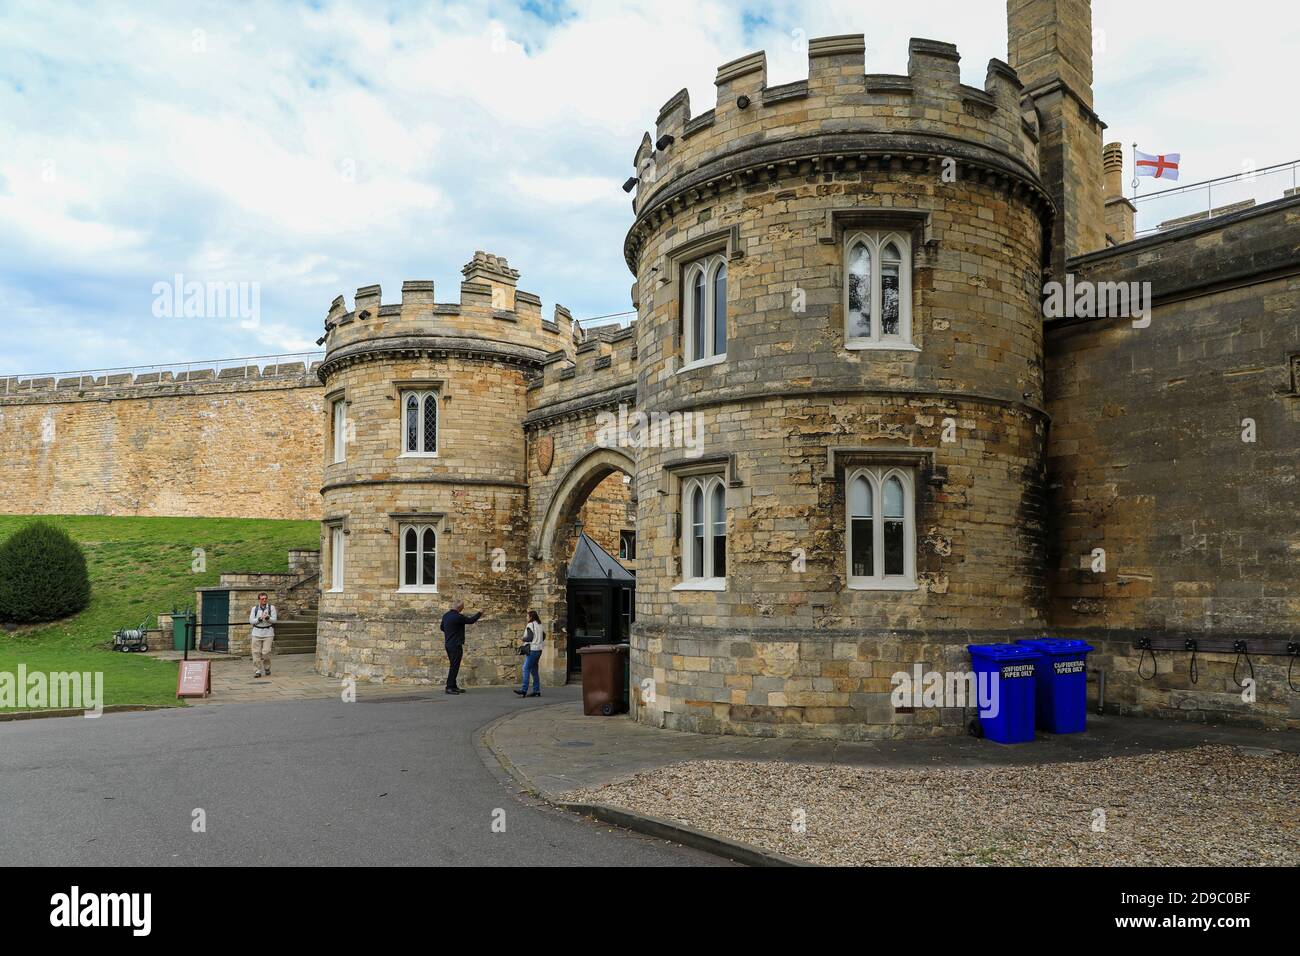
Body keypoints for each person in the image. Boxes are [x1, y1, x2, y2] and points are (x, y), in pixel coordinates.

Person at [439, 600, 482, 695]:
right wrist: (480, 613)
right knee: (454, 666)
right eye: (462, 607)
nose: (462, 609)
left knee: (453, 665)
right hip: (456, 645)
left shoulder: (446, 615)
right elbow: (471, 620)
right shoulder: (458, 617)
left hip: (448, 644)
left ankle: (453, 686)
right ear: (459, 608)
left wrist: (450, 631)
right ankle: (449, 687)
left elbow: (442, 628)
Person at [514, 610, 544, 698]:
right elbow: (544, 636)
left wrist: (522, 639)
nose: (526, 618)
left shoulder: (530, 625)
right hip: (539, 649)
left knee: (526, 668)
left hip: (532, 649)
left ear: (531, 617)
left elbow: (529, 638)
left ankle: (524, 690)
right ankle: (536, 690)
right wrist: (538, 640)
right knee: (534, 670)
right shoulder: (540, 625)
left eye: (527, 616)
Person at [248, 592, 277, 678]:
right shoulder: (255, 609)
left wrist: (268, 618)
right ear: (259, 600)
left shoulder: (271, 608)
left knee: (266, 652)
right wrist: (259, 619)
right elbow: (251, 621)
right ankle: (257, 670)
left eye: (265, 598)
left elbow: (274, 620)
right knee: (256, 652)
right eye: (262, 599)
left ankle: (267, 667)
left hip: (268, 633)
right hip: (256, 632)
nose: (264, 600)